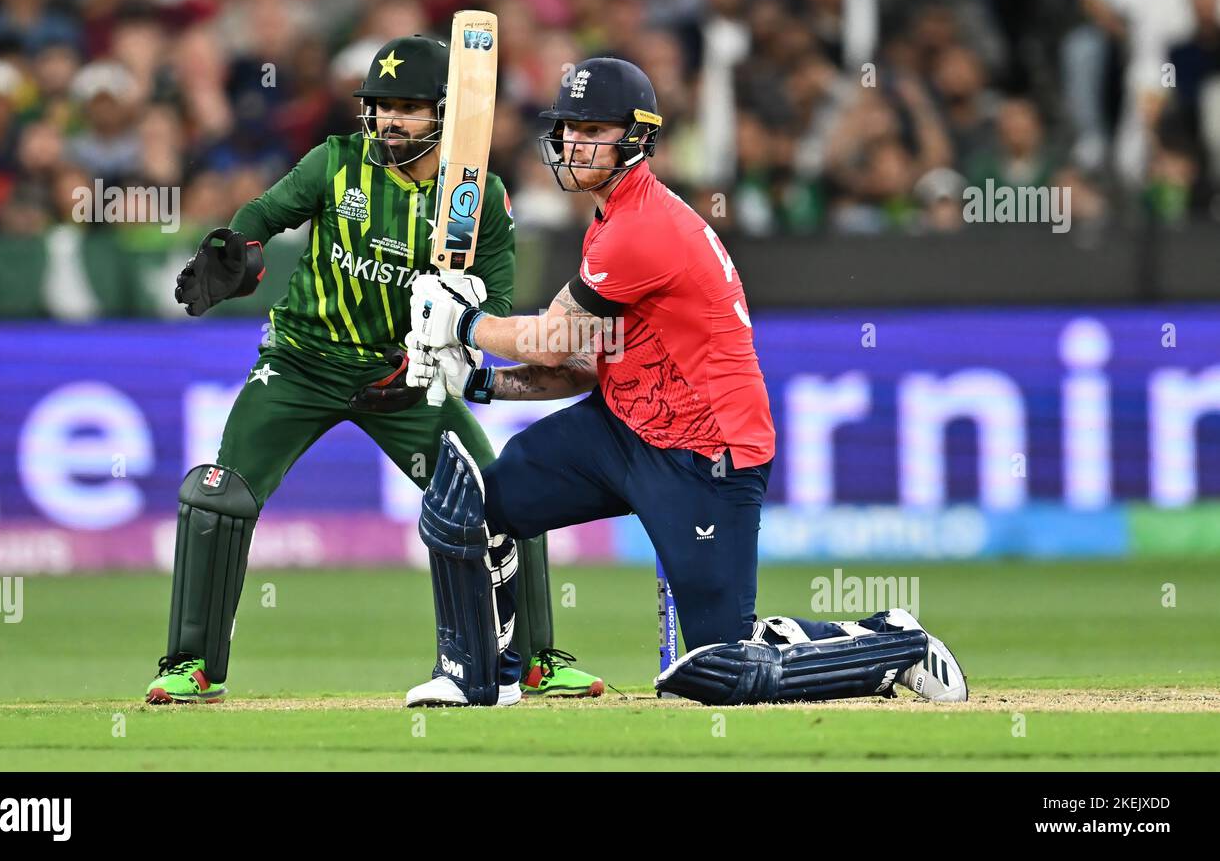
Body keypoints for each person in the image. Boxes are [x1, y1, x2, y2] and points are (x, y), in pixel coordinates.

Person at [404, 57, 968, 705]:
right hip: (619, 428)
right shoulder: (610, 219)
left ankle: (893, 645)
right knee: (476, 507)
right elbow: (583, 363)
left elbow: (555, 337)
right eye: (569, 128)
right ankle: (484, 677)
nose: (575, 143)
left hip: (707, 454)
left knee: (717, 670)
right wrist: (478, 383)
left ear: (638, 138)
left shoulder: (643, 227)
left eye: (595, 129)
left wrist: (463, 322)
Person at [143, 34, 602, 704]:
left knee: (501, 496)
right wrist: (239, 245)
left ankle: (532, 660)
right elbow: (264, 215)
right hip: (301, 362)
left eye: (408, 108)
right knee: (219, 496)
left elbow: (495, 309)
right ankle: (193, 668)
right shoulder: (335, 162)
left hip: (404, 381)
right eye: (381, 106)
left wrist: (440, 345)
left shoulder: (481, 199)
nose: (390, 121)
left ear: (447, 113)